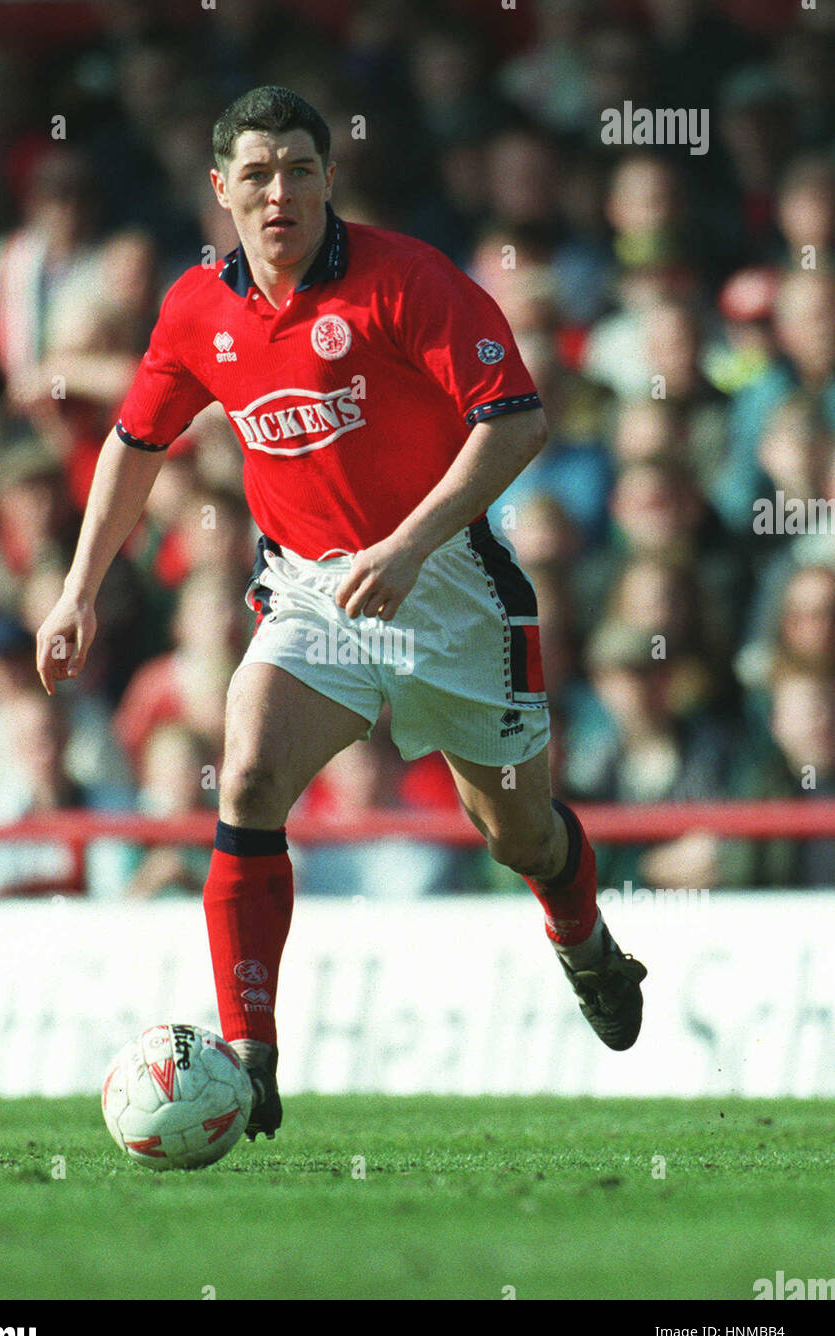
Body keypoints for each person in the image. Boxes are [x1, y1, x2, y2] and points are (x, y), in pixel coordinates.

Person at [36, 87, 647, 1142]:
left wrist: (406, 545)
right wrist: (78, 588)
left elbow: (516, 421)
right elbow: (135, 443)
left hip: (449, 587)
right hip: (311, 592)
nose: (280, 192)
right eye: (258, 174)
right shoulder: (195, 310)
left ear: (330, 179)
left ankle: (581, 933)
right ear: (220, 189)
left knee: (518, 834)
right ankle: (252, 1055)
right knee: (252, 771)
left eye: (300, 169)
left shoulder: (406, 280)